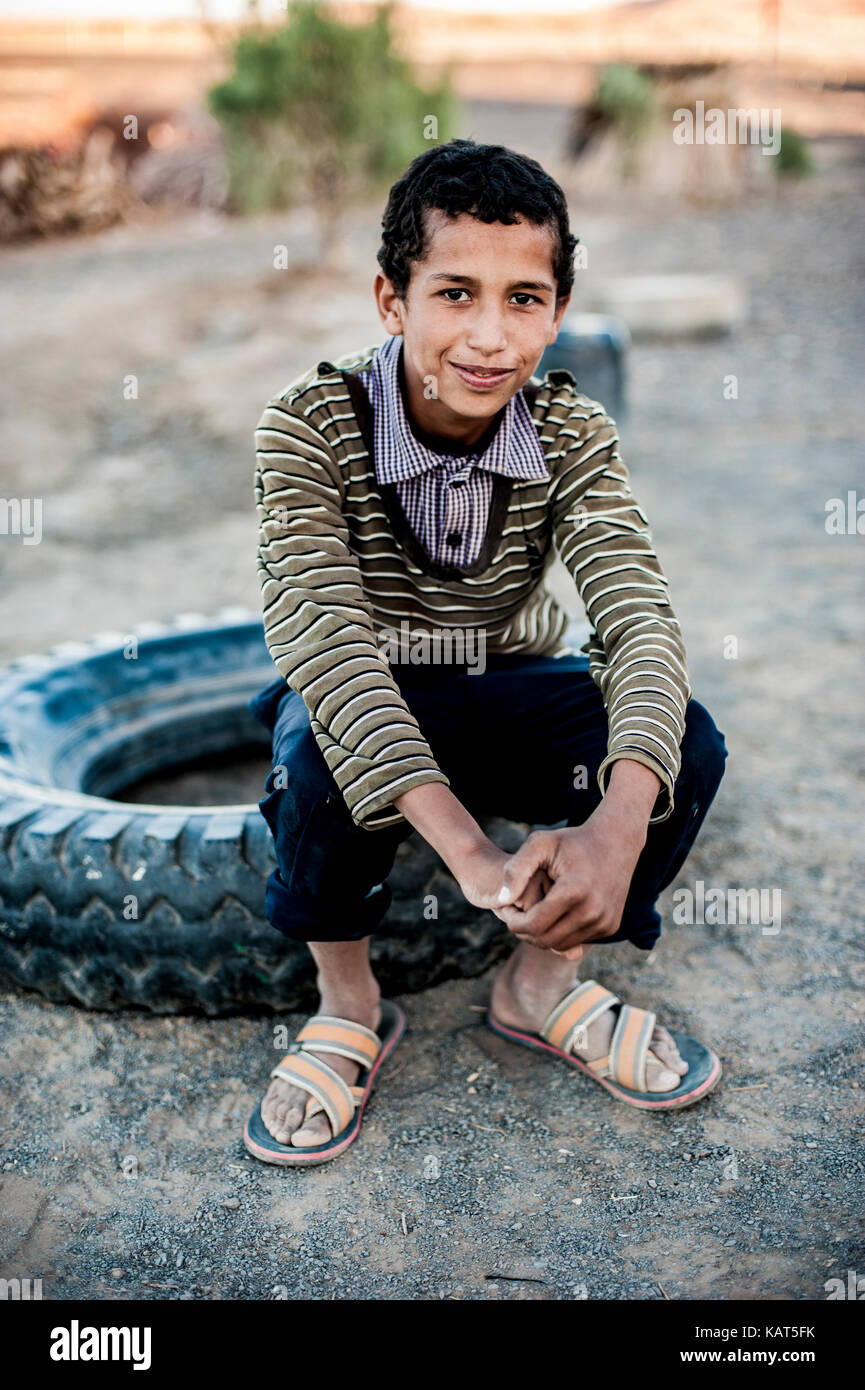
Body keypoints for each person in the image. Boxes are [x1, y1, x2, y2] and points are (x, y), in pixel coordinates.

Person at [243, 139, 728, 1166]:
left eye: (524, 299)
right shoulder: (307, 428)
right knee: (319, 744)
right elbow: (327, 646)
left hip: (502, 683)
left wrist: (613, 825)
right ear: (391, 300)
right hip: (365, 685)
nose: (489, 336)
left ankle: (539, 986)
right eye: (455, 292)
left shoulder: (570, 433)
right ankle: (350, 1003)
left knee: (683, 738)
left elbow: (637, 617)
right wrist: (471, 853)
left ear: (555, 313)